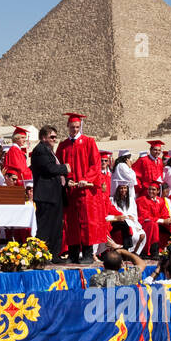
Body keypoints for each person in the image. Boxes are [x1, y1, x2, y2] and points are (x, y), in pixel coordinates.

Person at [56, 113, 102, 264]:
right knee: (72, 223)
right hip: (71, 191)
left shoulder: (89, 142)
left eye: (77, 127)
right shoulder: (63, 146)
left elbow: (95, 165)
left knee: (87, 222)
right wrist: (66, 180)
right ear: (67, 127)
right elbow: (59, 167)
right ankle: (73, 254)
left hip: (85, 191)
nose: (74, 130)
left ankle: (88, 254)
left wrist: (86, 179)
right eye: (72, 127)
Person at [30, 124, 67, 257]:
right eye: (52, 137)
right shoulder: (40, 150)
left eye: (55, 137)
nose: (54, 139)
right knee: (45, 228)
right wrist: (65, 168)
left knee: (56, 227)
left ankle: (54, 255)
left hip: (54, 195)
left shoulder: (49, 150)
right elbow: (50, 168)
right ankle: (39, 255)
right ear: (43, 137)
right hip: (46, 196)